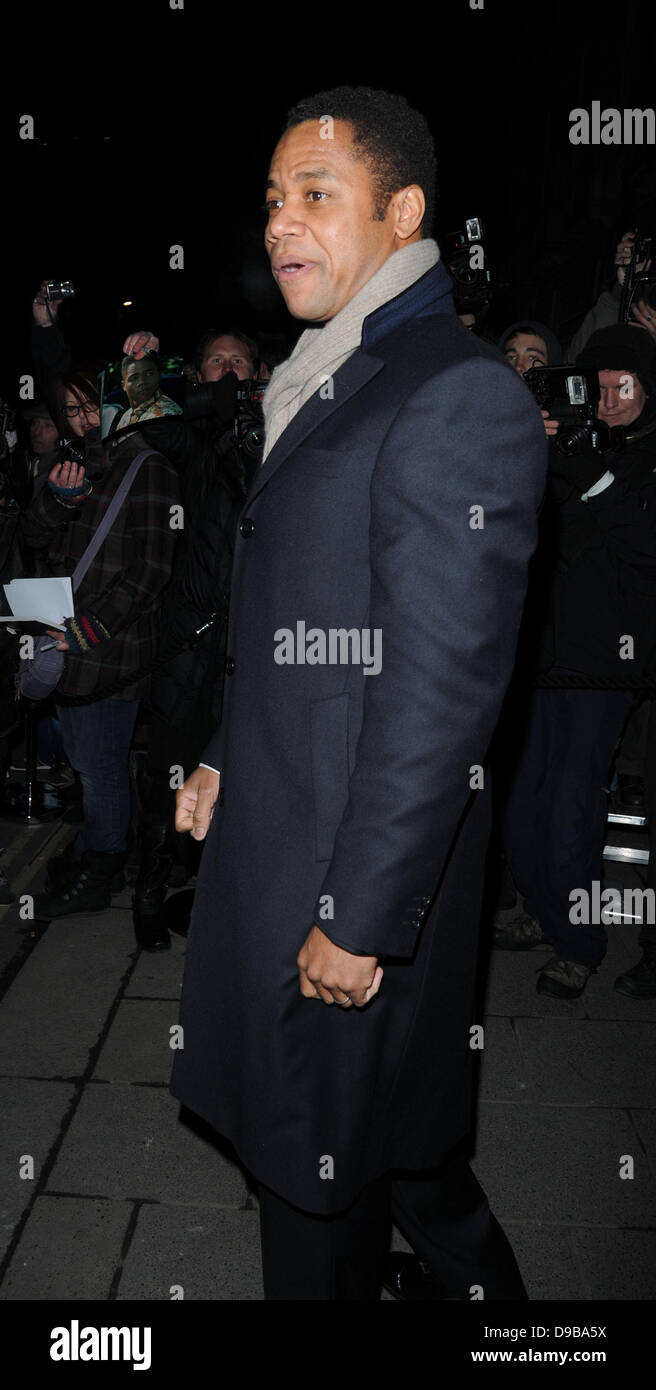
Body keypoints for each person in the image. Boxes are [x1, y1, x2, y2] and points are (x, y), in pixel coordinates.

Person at [170, 85, 546, 1302]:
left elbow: (441, 692)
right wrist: (226, 750)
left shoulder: (453, 390)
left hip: (346, 880)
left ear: (403, 212)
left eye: (316, 196)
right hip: (281, 827)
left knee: (317, 1186)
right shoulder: (327, 370)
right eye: (274, 199)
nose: (283, 222)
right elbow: (291, 619)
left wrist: (364, 916)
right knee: (402, 1157)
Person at [499, 324, 656, 997]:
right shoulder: (570, 440)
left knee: (571, 808)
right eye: (599, 386)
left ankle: (580, 944)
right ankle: (542, 908)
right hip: (542, 655)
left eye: (625, 384)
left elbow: (646, 544)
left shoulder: (646, 456)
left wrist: (589, 473)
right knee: (519, 804)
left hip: (604, 668)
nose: (611, 398)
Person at [21, 371, 181, 918]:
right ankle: (94, 849)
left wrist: (85, 632)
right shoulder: (71, 465)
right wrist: (59, 501)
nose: (84, 418)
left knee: (100, 765)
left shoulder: (149, 468)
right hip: (64, 640)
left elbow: (150, 572)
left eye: (92, 405)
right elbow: (34, 537)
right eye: (72, 410)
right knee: (87, 760)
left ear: (116, 404)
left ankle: (103, 868)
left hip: (113, 651)